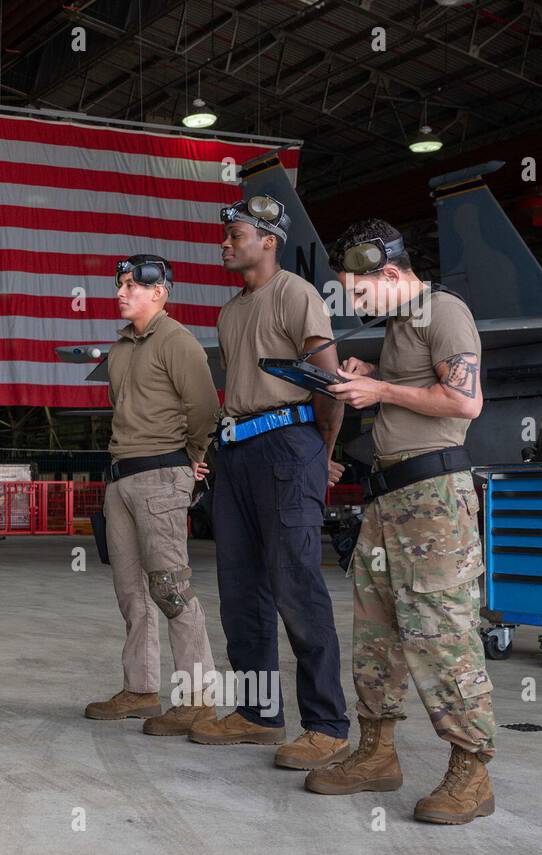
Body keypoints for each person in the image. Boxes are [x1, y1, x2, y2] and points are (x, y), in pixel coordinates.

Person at [306, 218, 495, 825]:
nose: (353, 302)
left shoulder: (444, 311)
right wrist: (369, 377)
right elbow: (411, 385)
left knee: (443, 633)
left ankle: (472, 770)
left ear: (391, 274)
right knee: (377, 634)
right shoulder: (397, 325)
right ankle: (376, 753)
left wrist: (382, 389)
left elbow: (465, 402)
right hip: (389, 501)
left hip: (434, 498)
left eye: (359, 291)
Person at [188, 196, 351, 770]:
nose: (225, 244)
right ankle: (258, 716)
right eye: (225, 235)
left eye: (235, 235)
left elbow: (328, 384)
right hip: (238, 452)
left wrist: (319, 456)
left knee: (296, 585)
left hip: (288, 445)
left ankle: (327, 725)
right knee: (241, 591)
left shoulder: (296, 294)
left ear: (268, 241)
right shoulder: (230, 313)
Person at [84, 255, 220, 736]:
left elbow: (204, 408)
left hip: (162, 475)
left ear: (160, 292)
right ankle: (141, 690)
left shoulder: (178, 341)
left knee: (171, 589)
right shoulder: (120, 349)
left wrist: (193, 456)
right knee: (131, 592)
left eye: (131, 287)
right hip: (121, 476)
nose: (121, 293)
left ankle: (197, 699)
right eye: (119, 285)